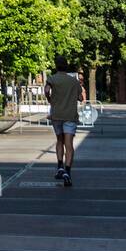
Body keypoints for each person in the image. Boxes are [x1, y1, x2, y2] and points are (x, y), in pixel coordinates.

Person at [45, 56, 86, 186]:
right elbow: (80, 98)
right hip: (70, 116)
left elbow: (46, 90)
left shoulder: (52, 79)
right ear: (67, 66)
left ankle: (60, 167)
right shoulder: (74, 82)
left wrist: (50, 99)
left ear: (56, 66)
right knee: (69, 144)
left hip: (56, 115)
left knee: (59, 141)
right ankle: (67, 172)